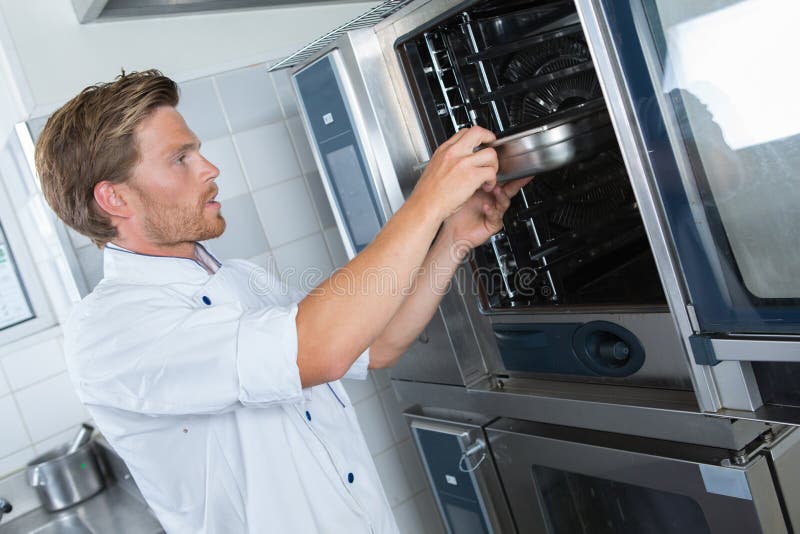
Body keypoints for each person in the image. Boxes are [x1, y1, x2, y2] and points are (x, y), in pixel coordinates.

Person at [34, 69, 528, 533]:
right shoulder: (111, 330)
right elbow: (319, 349)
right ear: (115, 199)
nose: (210, 168)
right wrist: (428, 201)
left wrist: (454, 238)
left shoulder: (244, 282)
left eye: (197, 152)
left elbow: (376, 345)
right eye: (180, 158)